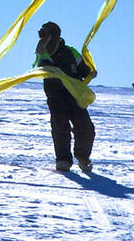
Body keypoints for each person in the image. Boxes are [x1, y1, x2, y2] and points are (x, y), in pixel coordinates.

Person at [33, 21, 97, 172]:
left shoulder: (71, 52)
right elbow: (42, 66)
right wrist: (42, 48)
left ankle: (83, 157)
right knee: (60, 127)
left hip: (75, 96)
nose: (42, 37)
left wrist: (90, 73)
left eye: (44, 34)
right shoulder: (42, 52)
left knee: (86, 127)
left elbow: (83, 70)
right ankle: (63, 160)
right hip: (55, 97)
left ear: (54, 35)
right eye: (41, 34)